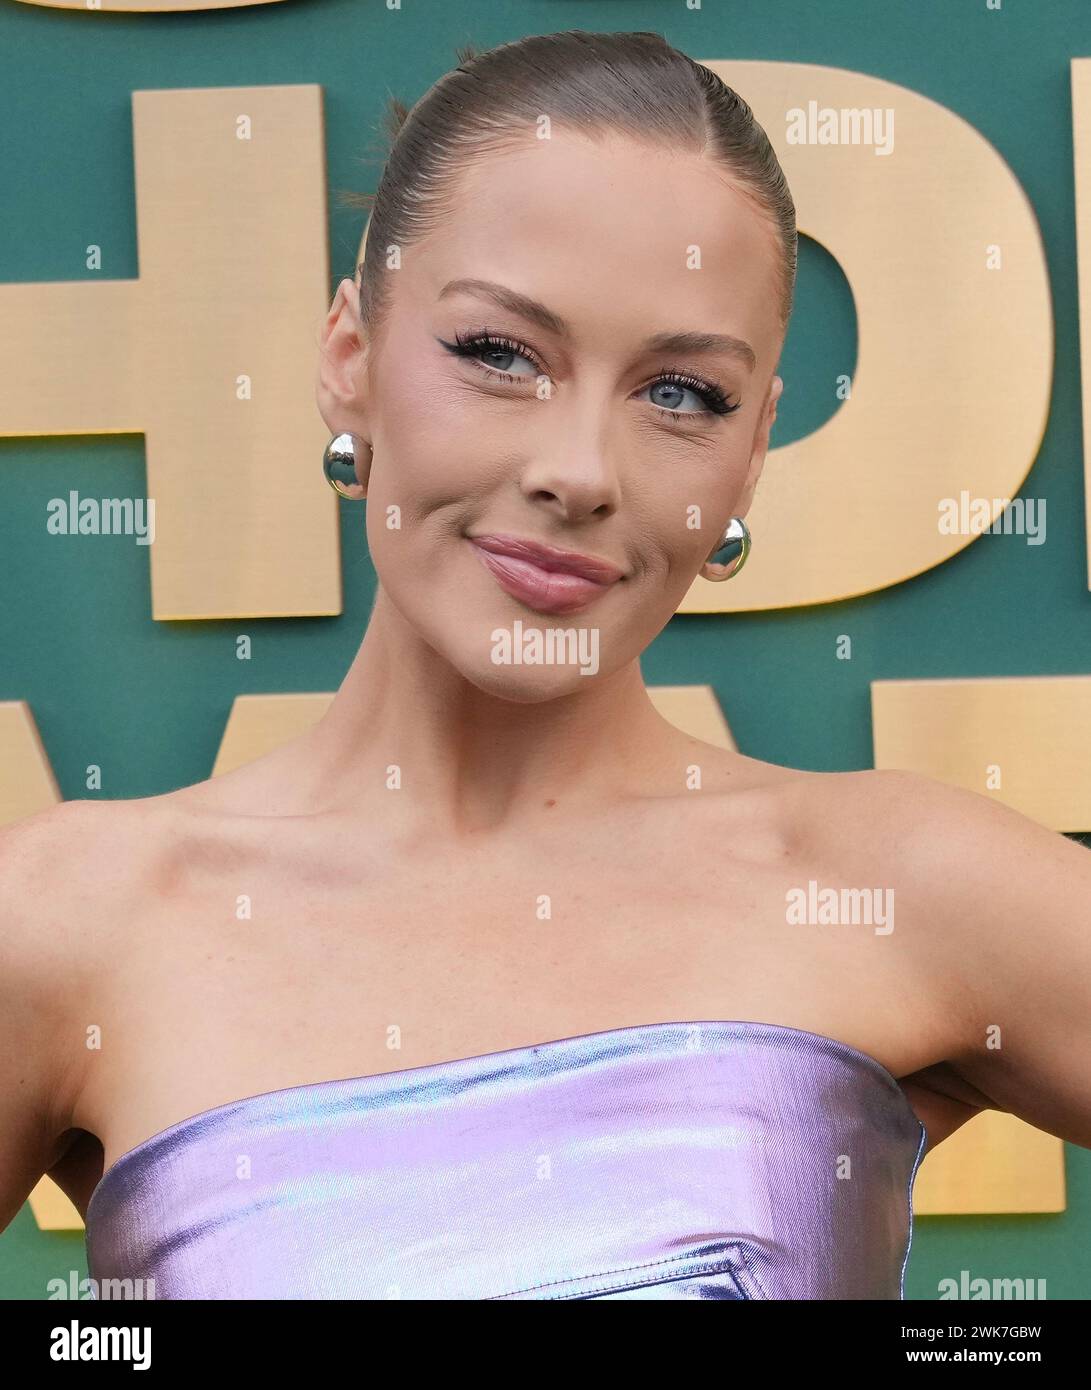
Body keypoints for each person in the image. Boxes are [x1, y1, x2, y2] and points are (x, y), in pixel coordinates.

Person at [2, 29, 1089, 1301]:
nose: (580, 468)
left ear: (750, 452)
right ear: (350, 356)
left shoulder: (888, 882)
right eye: (498, 355)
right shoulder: (77, 920)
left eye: (680, 393)